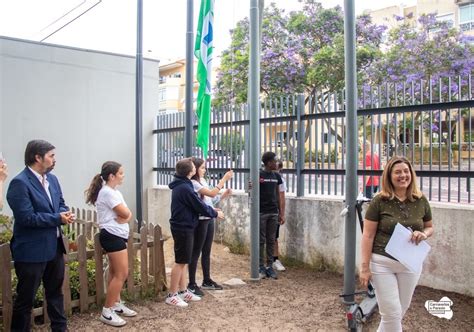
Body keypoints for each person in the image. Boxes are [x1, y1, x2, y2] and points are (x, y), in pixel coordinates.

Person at [6, 139, 75, 332]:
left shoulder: (53, 179)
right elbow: (26, 218)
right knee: (25, 300)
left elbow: (60, 203)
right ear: (38, 157)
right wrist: (57, 218)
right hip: (31, 251)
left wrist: (65, 213)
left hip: (54, 247)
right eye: (51, 156)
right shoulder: (19, 183)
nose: (55, 160)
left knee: (55, 294)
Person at [360, 156, 434, 332]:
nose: (403, 175)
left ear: (411, 174)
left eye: (406, 171)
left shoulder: (420, 199)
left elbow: (430, 227)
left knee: (398, 312)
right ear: (389, 176)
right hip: (382, 263)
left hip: (410, 264)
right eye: (398, 172)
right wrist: (364, 267)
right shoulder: (379, 201)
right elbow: (368, 235)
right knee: (391, 314)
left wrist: (423, 233)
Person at [166, 158, 224, 307]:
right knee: (180, 261)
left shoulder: (184, 184)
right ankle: (172, 294)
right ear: (190, 171)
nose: (197, 168)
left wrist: (212, 210)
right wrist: (215, 213)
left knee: (185, 260)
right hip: (182, 227)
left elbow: (197, 205)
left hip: (187, 225)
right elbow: (199, 205)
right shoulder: (185, 187)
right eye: (194, 167)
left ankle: (183, 290)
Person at [85, 161, 136, 327]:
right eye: (120, 173)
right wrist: (126, 216)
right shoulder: (107, 193)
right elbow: (125, 213)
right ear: (111, 176)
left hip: (117, 234)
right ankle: (107, 312)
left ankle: (115, 304)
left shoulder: (113, 191)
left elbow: (127, 215)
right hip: (112, 235)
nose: (123, 176)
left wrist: (126, 216)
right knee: (122, 273)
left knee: (116, 273)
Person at [188, 158, 233, 296]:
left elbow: (210, 200)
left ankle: (206, 280)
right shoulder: (193, 183)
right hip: (200, 221)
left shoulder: (203, 181)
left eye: (204, 167)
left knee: (206, 251)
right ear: (194, 169)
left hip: (209, 219)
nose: (204, 170)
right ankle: (191, 283)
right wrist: (224, 179)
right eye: (202, 167)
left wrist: (223, 196)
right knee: (196, 252)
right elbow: (212, 193)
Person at [259, 151, 283, 279]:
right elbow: (251, 191)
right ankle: (260, 266)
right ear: (269, 163)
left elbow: (278, 195)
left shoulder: (276, 176)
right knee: (261, 240)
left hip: (273, 212)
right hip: (261, 212)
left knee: (271, 239)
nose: (277, 163)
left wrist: (280, 213)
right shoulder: (259, 175)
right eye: (275, 161)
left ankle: (269, 266)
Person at [272, 159, 286, 272]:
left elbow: (282, 196)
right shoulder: (262, 176)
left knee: (274, 237)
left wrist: (282, 213)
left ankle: (275, 259)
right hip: (264, 210)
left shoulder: (280, 179)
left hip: (274, 211)